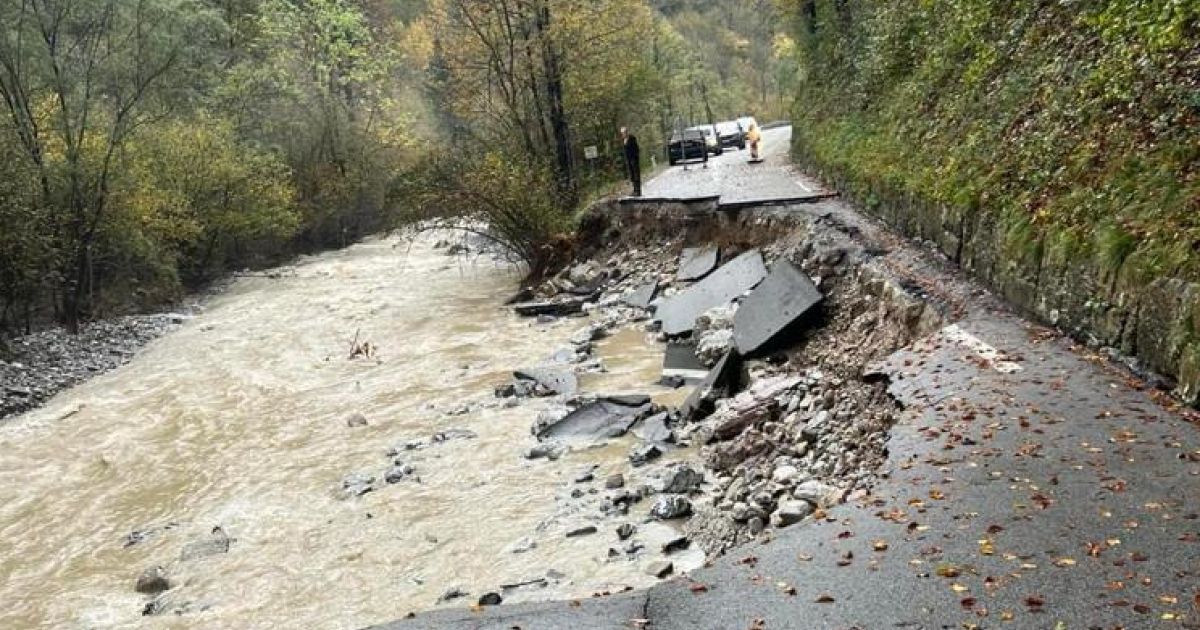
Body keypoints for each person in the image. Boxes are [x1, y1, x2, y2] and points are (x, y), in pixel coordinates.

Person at [620, 127, 641, 197]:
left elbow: (636, 149)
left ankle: (638, 191)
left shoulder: (632, 139)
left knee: (636, 175)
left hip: (633, 159)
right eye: (622, 133)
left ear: (626, 132)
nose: (623, 134)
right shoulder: (624, 140)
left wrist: (635, 158)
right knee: (632, 175)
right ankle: (634, 190)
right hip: (628, 160)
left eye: (624, 133)